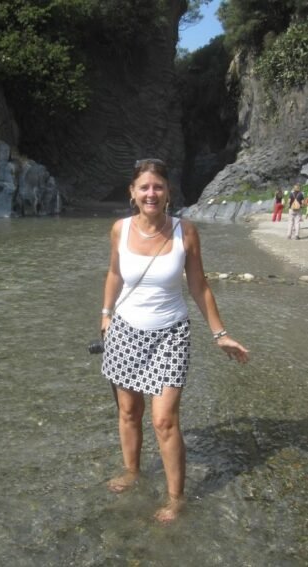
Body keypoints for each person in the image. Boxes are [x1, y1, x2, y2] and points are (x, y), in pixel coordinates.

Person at [100, 158, 249, 523]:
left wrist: (221, 333)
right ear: (132, 193)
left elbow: (199, 285)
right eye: (144, 187)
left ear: (168, 192)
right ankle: (133, 472)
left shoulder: (186, 231)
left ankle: (175, 497)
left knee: (164, 420)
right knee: (128, 411)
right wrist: (105, 315)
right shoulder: (119, 229)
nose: (151, 193)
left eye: (158, 187)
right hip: (124, 331)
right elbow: (115, 273)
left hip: (171, 334)